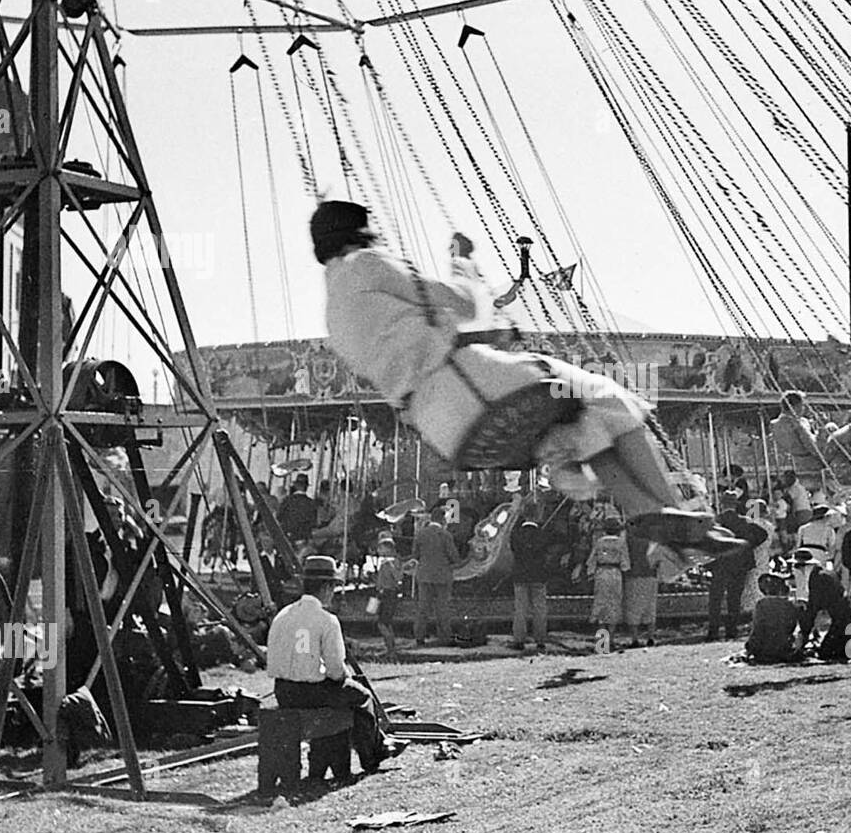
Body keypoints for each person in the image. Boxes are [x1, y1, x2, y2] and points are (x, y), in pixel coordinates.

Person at [312, 201, 736, 555]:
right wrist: (463, 262)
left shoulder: (335, 317)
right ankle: (659, 504)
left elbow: (415, 343)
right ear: (359, 233)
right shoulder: (363, 263)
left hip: (441, 426)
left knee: (580, 418)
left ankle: (649, 514)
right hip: (473, 387)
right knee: (605, 394)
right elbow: (461, 303)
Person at [266, 555, 386, 774]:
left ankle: (358, 750)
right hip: (310, 693)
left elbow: (290, 654)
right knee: (362, 696)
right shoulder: (326, 619)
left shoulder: (283, 615)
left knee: (345, 693)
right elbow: (335, 670)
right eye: (332, 587)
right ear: (326, 587)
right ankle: (373, 756)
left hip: (283, 690)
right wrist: (345, 676)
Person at [705, 497, 770, 641]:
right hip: (738, 564)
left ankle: (713, 631)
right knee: (734, 599)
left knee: (715, 598)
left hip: (720, 563)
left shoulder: (716, 522)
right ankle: (731, 630)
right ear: (735, 505)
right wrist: (748, 546)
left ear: (721, 505)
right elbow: (762, 535)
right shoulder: (744, 521)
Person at [411, 506, 460, 646]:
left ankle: (419, 636)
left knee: (423, 608)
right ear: (443, 519)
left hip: (424, 575)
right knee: (442, 608)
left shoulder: (421, 534)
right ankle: (445, 636)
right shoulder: (445, 535)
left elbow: (415, 555)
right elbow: (454, 556)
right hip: (442, 576)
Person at [587, 516, 630, 650]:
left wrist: (591, 572)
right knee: (614, 604)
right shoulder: (621, 543)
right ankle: (611, 639)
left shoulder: (599, 542)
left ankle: (602, 642)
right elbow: (625, 564)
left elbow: (591, 560)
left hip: (601, 573)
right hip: (615, 573)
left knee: (601, 604)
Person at [509, 517, 549, 651]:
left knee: (520, 608)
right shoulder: (542, 535)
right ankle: (541, 640)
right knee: (540, 608)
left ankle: (519, 640)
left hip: (521, 576)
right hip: (539, 575)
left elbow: (514, 551)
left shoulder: (516, 535)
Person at [621, 525, 660, 648]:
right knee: (650, 606)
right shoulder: (653, 540)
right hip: (650, 575)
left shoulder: (628, 539)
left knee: (633, 607)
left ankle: (634, 638)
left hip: (634, 575)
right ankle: (651, 637)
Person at [366, 532, 402, 660]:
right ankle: (389, 648)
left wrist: (390, 566)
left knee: (383, 623)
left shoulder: (392, 562)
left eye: (381, 548)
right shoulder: (383, 562)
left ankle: (391, 649)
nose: (379, 551)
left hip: (389, 594)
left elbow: (398, 577)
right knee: (384, 622)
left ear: (388, 548)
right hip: (382, 593)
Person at [276, 473, 318, 547]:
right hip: (303, 539)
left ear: (296, 485)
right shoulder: (312, 503)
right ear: (306, 487)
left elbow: (279, 516)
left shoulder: (287, 501)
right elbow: (314, 522)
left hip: (288, 538)